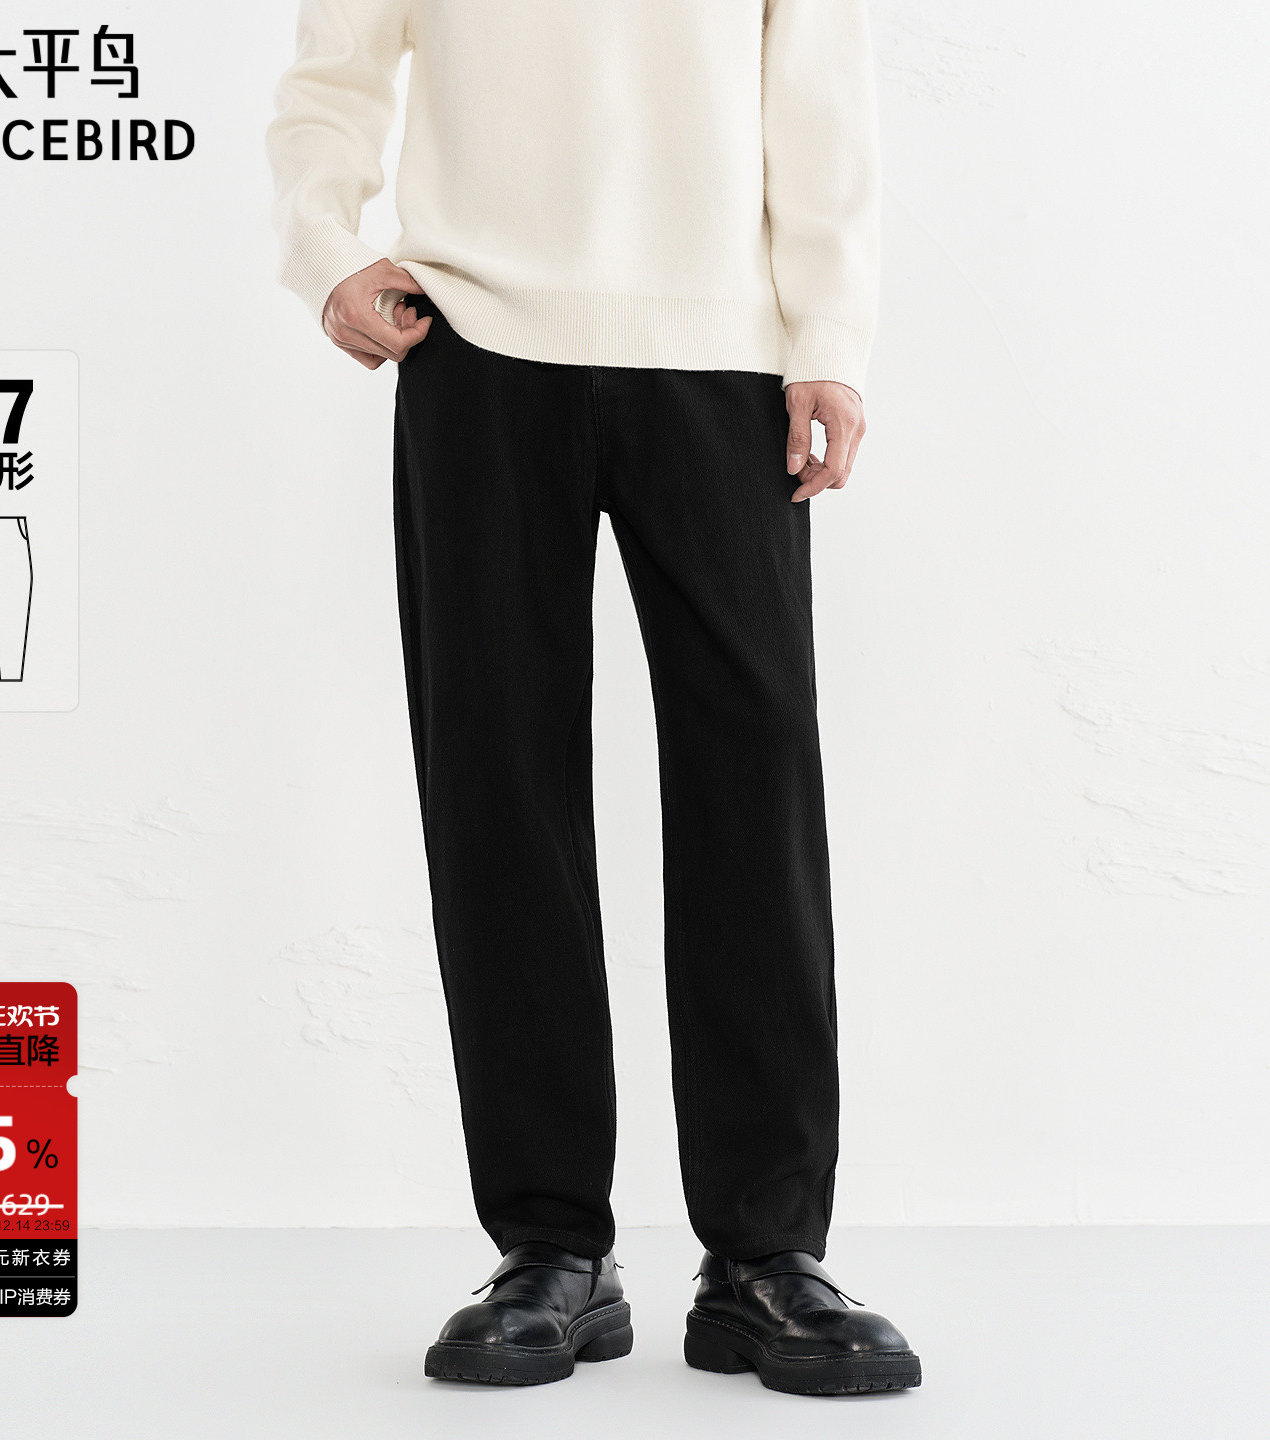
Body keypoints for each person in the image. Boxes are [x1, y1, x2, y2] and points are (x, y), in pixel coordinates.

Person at [266, 0, 920, 1396]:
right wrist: (325, 248)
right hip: (475, 341)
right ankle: (551, 1245)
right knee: (497, 788)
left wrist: (830, 334)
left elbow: (818, 92)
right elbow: (333, 72)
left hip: (728, 354)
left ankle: (765, 1256)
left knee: (754, 791)